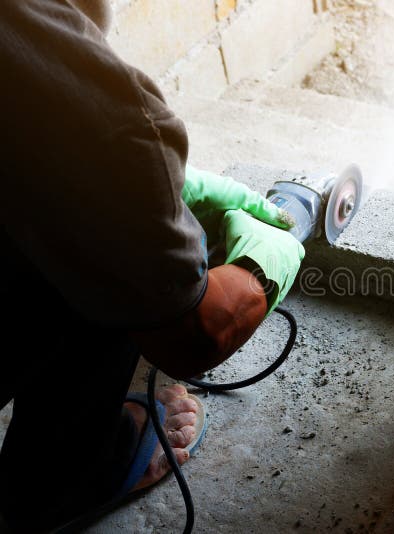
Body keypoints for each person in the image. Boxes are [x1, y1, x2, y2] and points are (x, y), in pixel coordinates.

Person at [0, 0, 305, 530]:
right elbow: (192, 336)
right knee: (116, 254)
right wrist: (262, 265)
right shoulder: (109, 120)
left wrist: (156, 193)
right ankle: (70, 475)